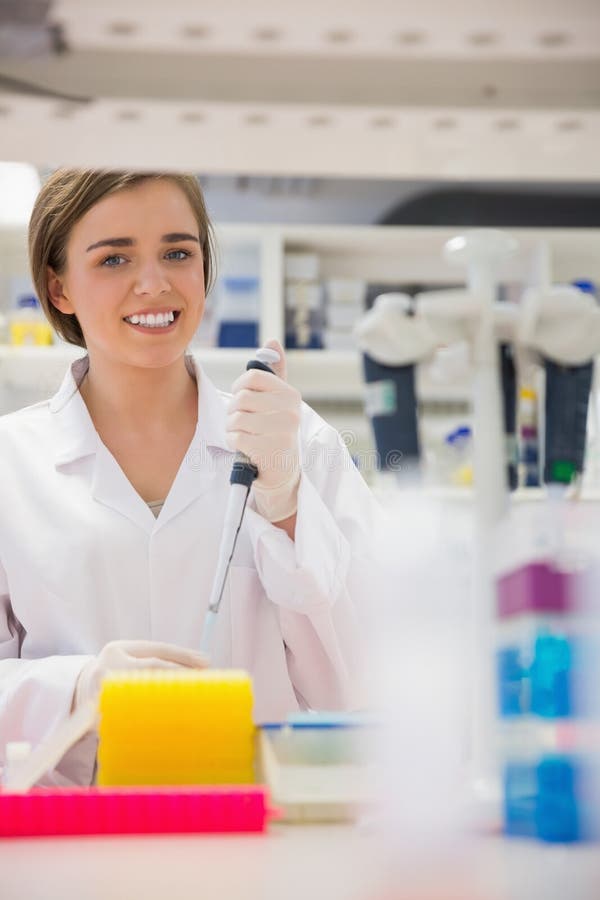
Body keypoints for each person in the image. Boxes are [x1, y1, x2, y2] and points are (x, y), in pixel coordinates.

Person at [0, 170, 377, 786]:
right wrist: (77, 688)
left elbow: (363, 682)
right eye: (114, 258)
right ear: (58, 286)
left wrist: (286, 509)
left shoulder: (295, 439)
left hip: (252, 839)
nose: (154, 284)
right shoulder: (9, 462)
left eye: (178, 252)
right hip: (69, 845)